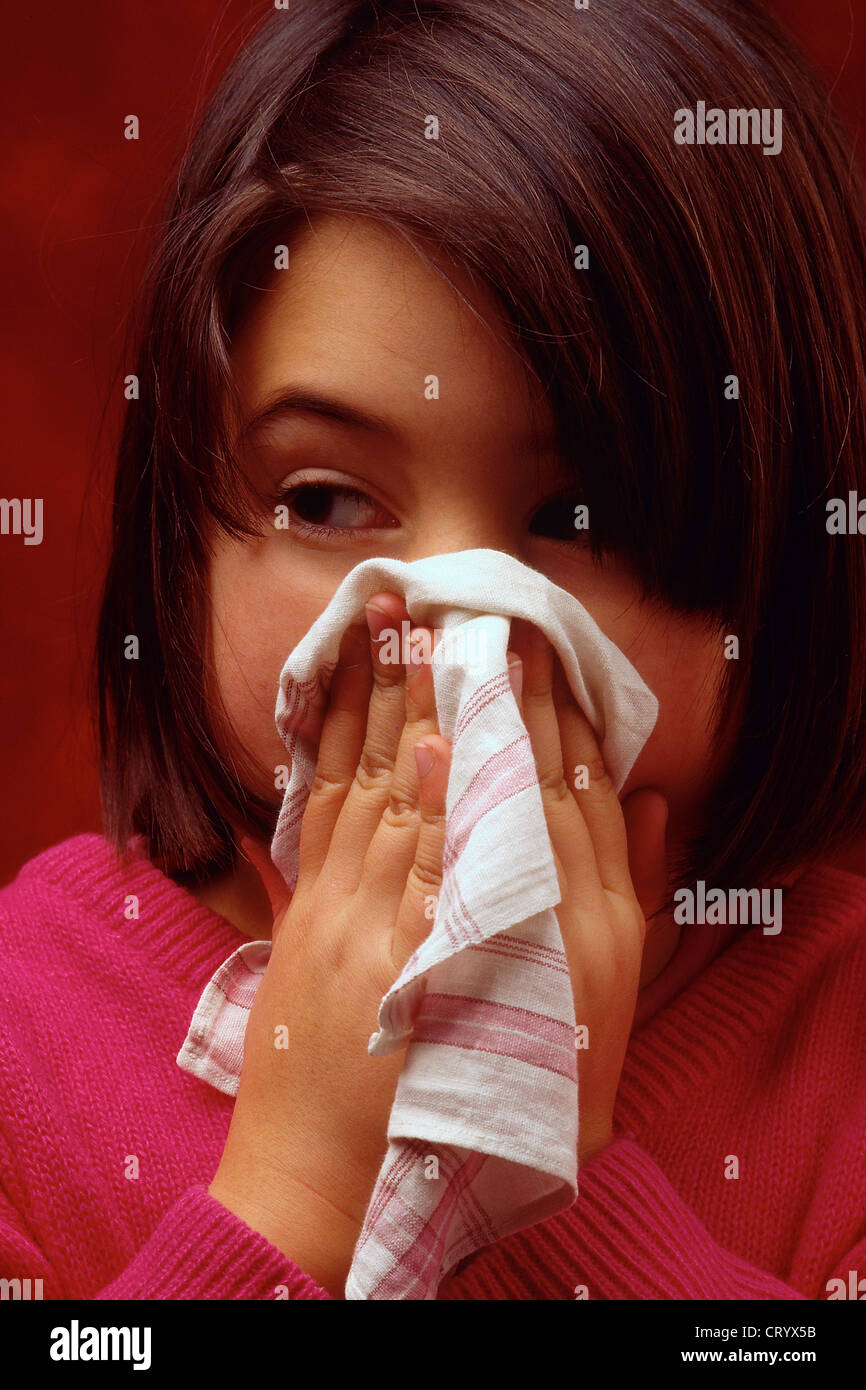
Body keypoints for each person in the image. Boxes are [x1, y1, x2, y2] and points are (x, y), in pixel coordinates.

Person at [1, 0, 864, 1300]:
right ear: (188, 538)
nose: (453, 620)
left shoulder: (835, 1037)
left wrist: (549, 1172)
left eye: (570, 516)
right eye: (326, 501)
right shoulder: (31, 1015)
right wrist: (289, 1196)